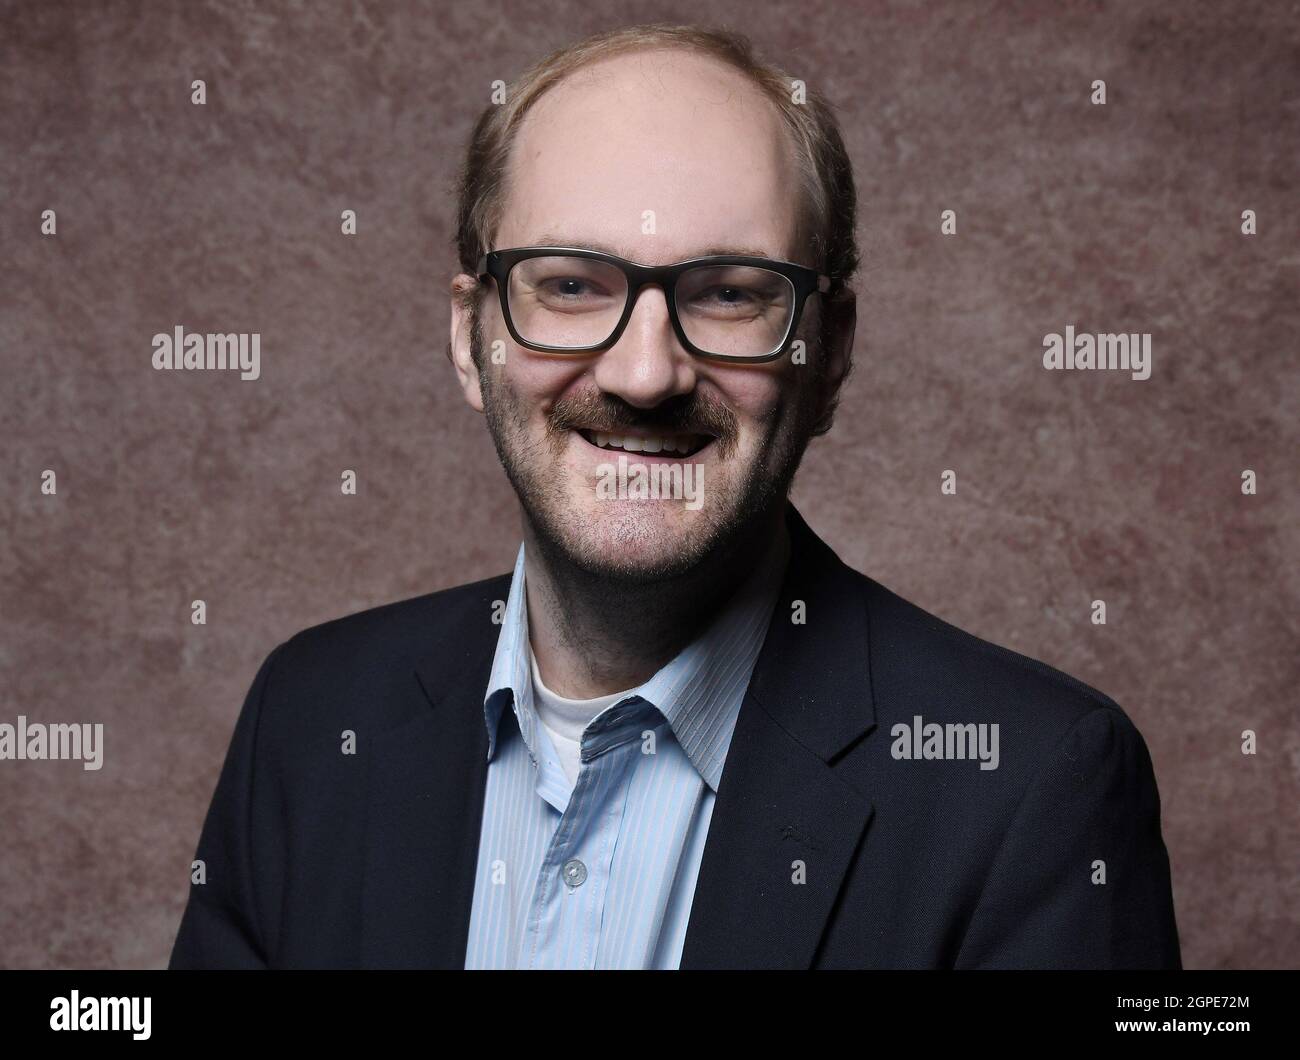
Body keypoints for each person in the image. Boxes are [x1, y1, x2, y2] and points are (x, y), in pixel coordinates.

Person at [169, 23, 1180, 970]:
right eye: (568, 286)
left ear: (829, 352)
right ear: (468, 338)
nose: (642, 374)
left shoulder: (1033, 790)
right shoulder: (307, 722)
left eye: (731, 292)